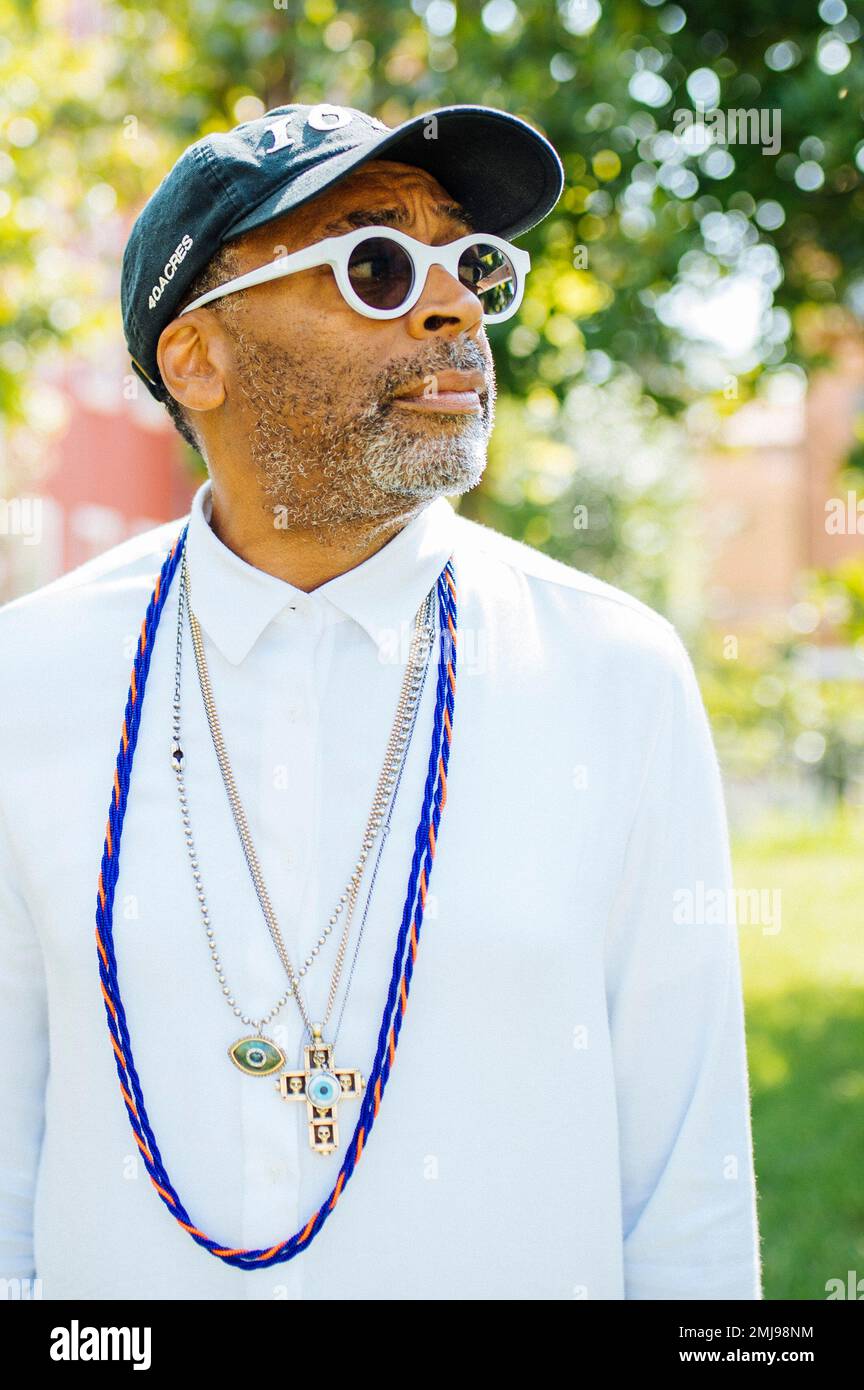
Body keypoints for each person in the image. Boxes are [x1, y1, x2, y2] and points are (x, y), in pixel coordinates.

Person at [0, 102, 762, 1300]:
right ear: (197, 357)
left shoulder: (618, 674)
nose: (454, 304)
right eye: (375, 264)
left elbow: (688, 1198)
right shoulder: (29, 683)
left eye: (470, 263)